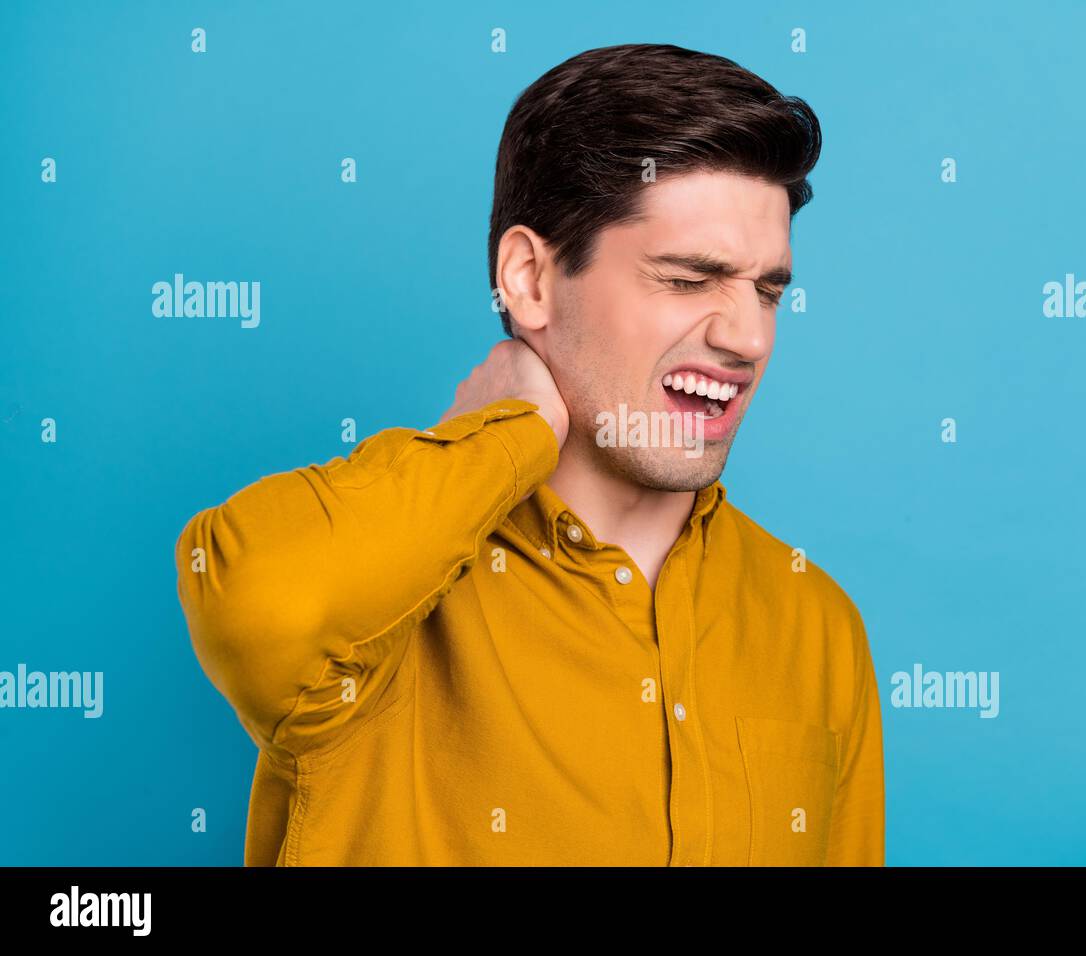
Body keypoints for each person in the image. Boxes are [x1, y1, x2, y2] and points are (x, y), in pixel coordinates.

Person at [175, 42, 884, 866]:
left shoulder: (817, 624)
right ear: (530, 279)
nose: (748, 336)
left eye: (767, 290)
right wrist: (506, 432)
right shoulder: (379, 615)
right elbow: (256, 602)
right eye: (690, 279)